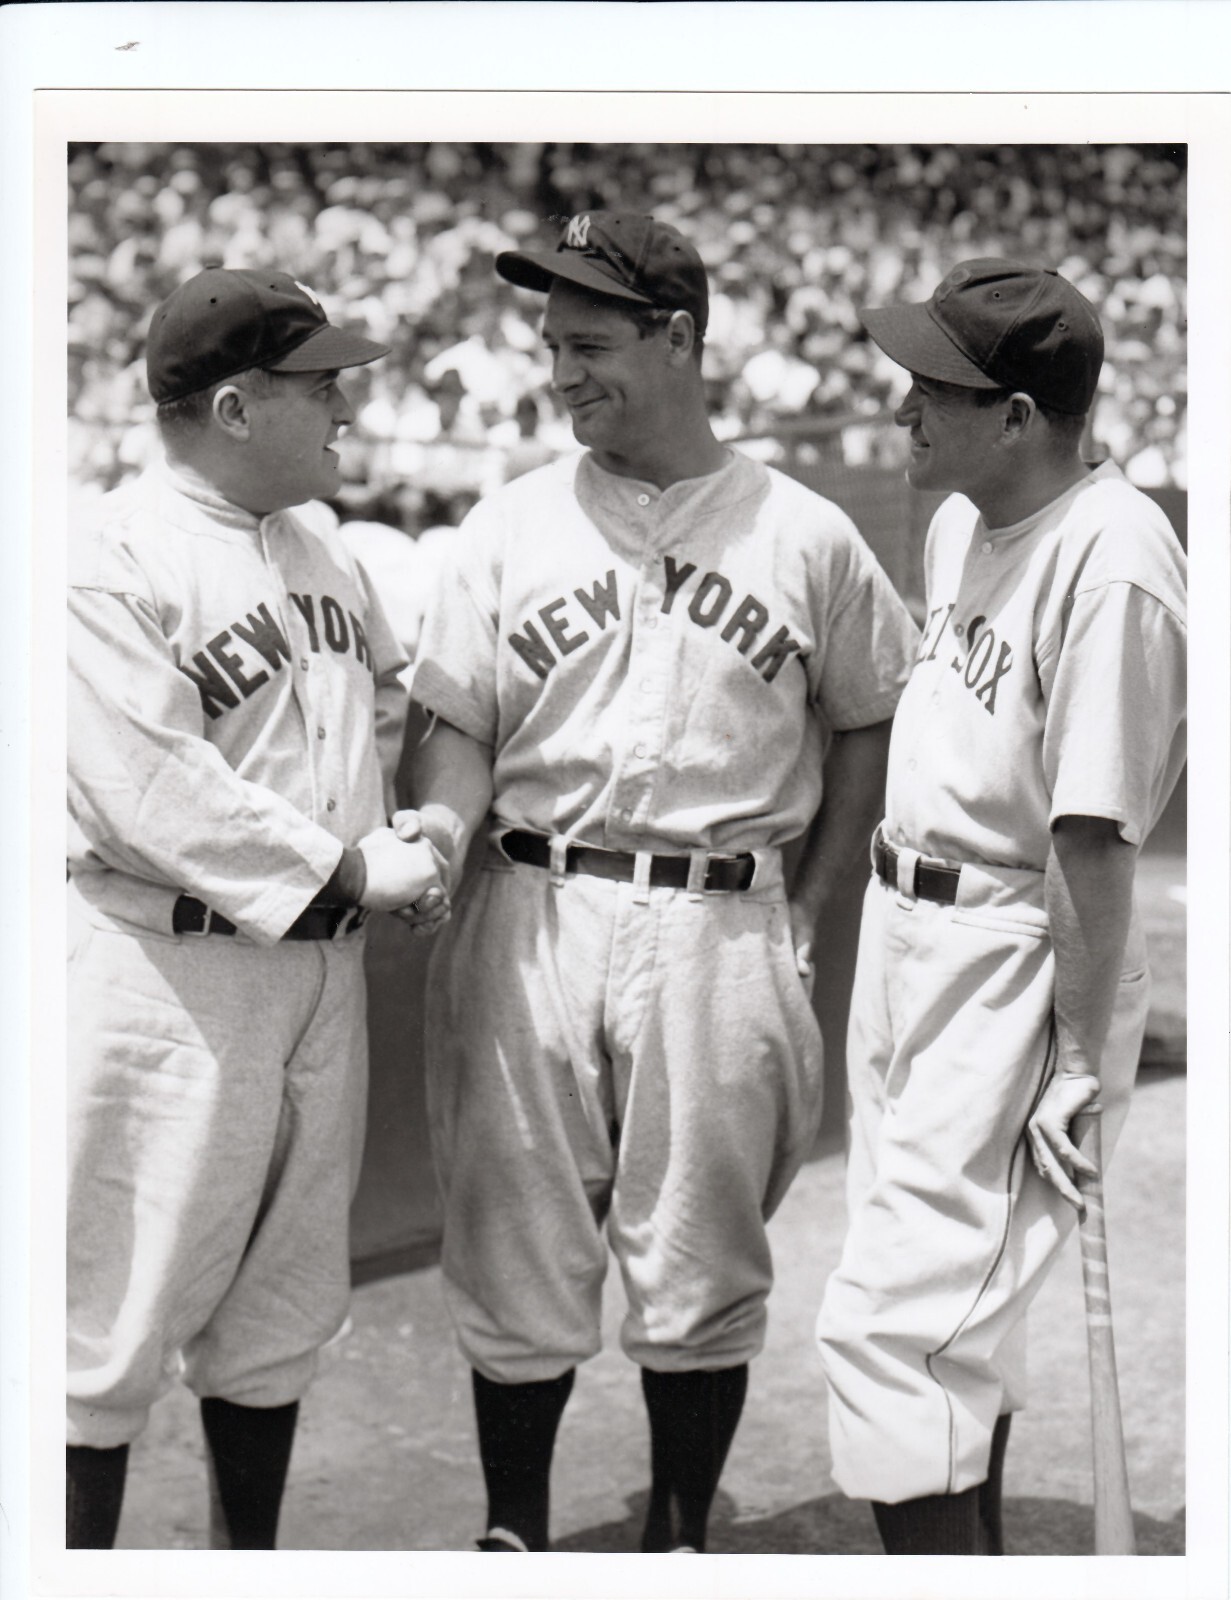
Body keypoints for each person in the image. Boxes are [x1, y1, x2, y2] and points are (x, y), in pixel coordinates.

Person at [397, 211, 919, 1554]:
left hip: (716, 914)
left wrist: (807, 910)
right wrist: (445, 833)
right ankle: (514, 1538)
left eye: (589, 345)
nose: (560, 374)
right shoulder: (510, 519)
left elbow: (867, 714)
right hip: (529, 907)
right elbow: (453, 714)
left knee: (699, 1265)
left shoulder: (801, 534)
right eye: (550, 346)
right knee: (513, 1249)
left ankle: (676, 1543)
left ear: (677, 338)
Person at [66, 267, 447, 1549]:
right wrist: (344, 869)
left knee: (280, 1319)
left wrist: (400, 818)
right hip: (167, 981)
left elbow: (382, 707)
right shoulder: (106, 553)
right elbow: (147, 789)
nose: (346, 401)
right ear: (235, 406)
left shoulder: (320, 540)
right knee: (101, 1335)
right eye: (320, 381)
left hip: (316, 981)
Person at [815, 259, 1187, 1554]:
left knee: (888, 1333)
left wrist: (1080, 1060)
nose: (903, 411)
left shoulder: (1116, 560)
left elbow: (1091, 842)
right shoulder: (959, 522)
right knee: (943, 1318)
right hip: (904, 929)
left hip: (1013, 952)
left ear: (1018, 415)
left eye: (933, 389)